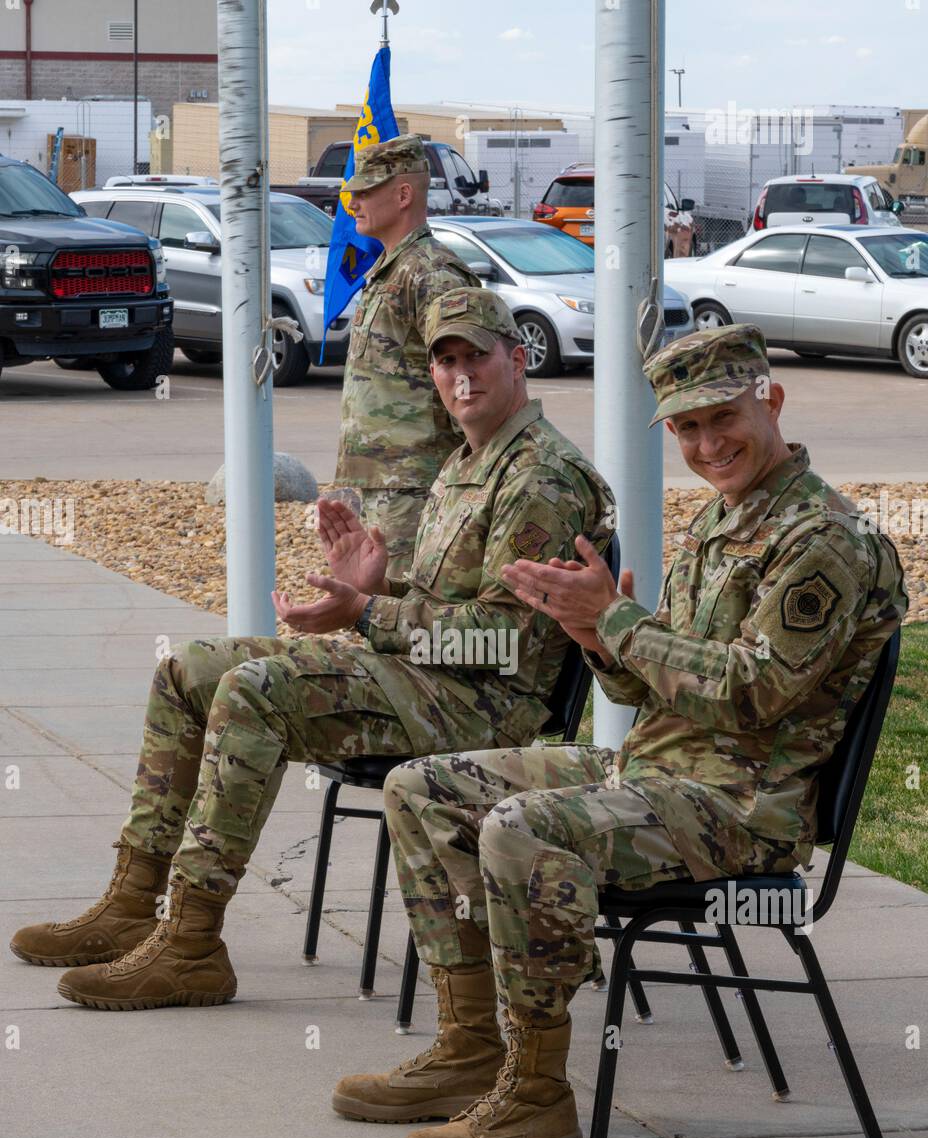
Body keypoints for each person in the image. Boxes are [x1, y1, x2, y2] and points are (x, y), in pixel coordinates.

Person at [333, 322, 908, 1138]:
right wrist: (596, 639)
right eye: (685, 428)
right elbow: (646, 688)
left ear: (772, 401)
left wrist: (618, 624)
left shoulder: (819, 539)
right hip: (657, 777)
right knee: (423, 789)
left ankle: (535, 1099)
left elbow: (751, 693)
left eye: (722, 419)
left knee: (523, 829)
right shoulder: (725, 519)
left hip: (740, 809)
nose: (707, 444)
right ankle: (469, 1047)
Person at [10, 289, 614, 1015]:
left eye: (476, 356)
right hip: (426, 678)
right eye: (445, 360)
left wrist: (368, 612)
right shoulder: (470, 460)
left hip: (486, 709)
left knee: (255, 690)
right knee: (191, 669)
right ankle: (135, 900)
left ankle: (192, 943)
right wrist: (373, 585)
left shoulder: (539, 478)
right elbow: (448, 607)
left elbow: (505, 643)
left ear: (517, 360)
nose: (460, 375)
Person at [329, 134, 481, 582]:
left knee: (409, 616)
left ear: (403, 194)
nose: (352, 201)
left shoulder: (431, 273)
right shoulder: (392, 268)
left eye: (365, 190)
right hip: (378, 485)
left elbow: (467, 383)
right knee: (371, 611)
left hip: (414, 490)